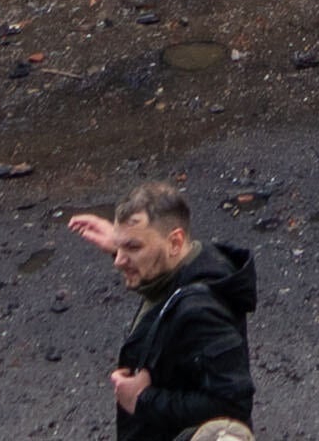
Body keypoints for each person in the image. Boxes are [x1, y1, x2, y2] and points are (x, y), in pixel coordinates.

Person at [70, 180, 256, 441]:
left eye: (133, 247)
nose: (120, 261)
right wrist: (121, 246)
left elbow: (233, 406)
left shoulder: (202, 311)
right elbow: (162, 281)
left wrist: (143, 399)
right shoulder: (191, 262)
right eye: (120, 246)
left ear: (175, 242)